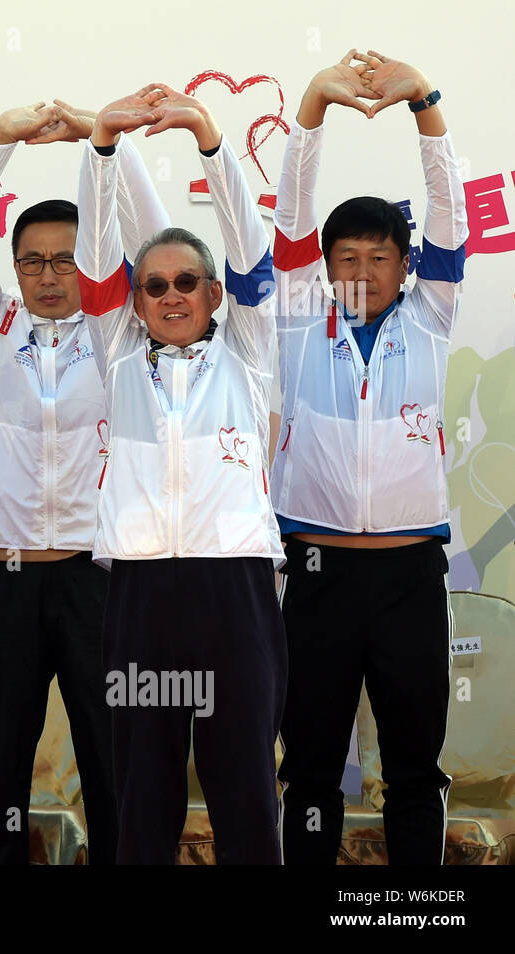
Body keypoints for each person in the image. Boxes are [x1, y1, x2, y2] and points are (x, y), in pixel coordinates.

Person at [0, 101, 169, 865]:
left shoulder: (123, 333)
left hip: (98, 583)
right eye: (32, 261)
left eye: (66, 260)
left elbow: (162, 240)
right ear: (13, 269)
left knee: (117, 771)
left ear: (97, 266)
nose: (46, 276)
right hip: (0, 583)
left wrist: (110, 141)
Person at [76, 85, 286, 864]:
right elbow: (97, 255)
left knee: (242, 792)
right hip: (138, 597)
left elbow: (249, 243)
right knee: (143, 792)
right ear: (133, 303)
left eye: (186, 282)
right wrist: (101, 144)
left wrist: (207, 137)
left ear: (215, 293)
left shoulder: (250, 354)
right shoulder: (119, 358)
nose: (170, 296)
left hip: (233, 593)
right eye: (153, 286)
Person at [270, 51, 466, 865]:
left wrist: (423, 100)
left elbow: (449, 206)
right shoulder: (291, 320)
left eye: (376, 258)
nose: (359, 272)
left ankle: (414, 911)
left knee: (415, 770)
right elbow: (291, 212)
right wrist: (313, 102)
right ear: (324, 266)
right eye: (344, 258)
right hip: (316, 573)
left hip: (411, 574)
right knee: (311, 771)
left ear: (405, 265)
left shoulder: (432, 316)